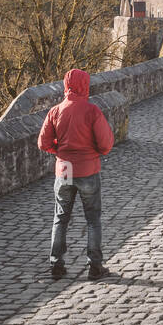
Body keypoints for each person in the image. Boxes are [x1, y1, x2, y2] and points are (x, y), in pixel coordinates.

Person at [38, 68, 114, 280]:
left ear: (66, 86)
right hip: (87, 169)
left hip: (64, 169)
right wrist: (93, 153)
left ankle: (56, 265)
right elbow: (106, 144)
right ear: (85, 86)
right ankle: (95, 266)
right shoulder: (92, 111)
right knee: (92, 219)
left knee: (60, 218)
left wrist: (59, 151)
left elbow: (43, 142)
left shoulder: (55, 111)